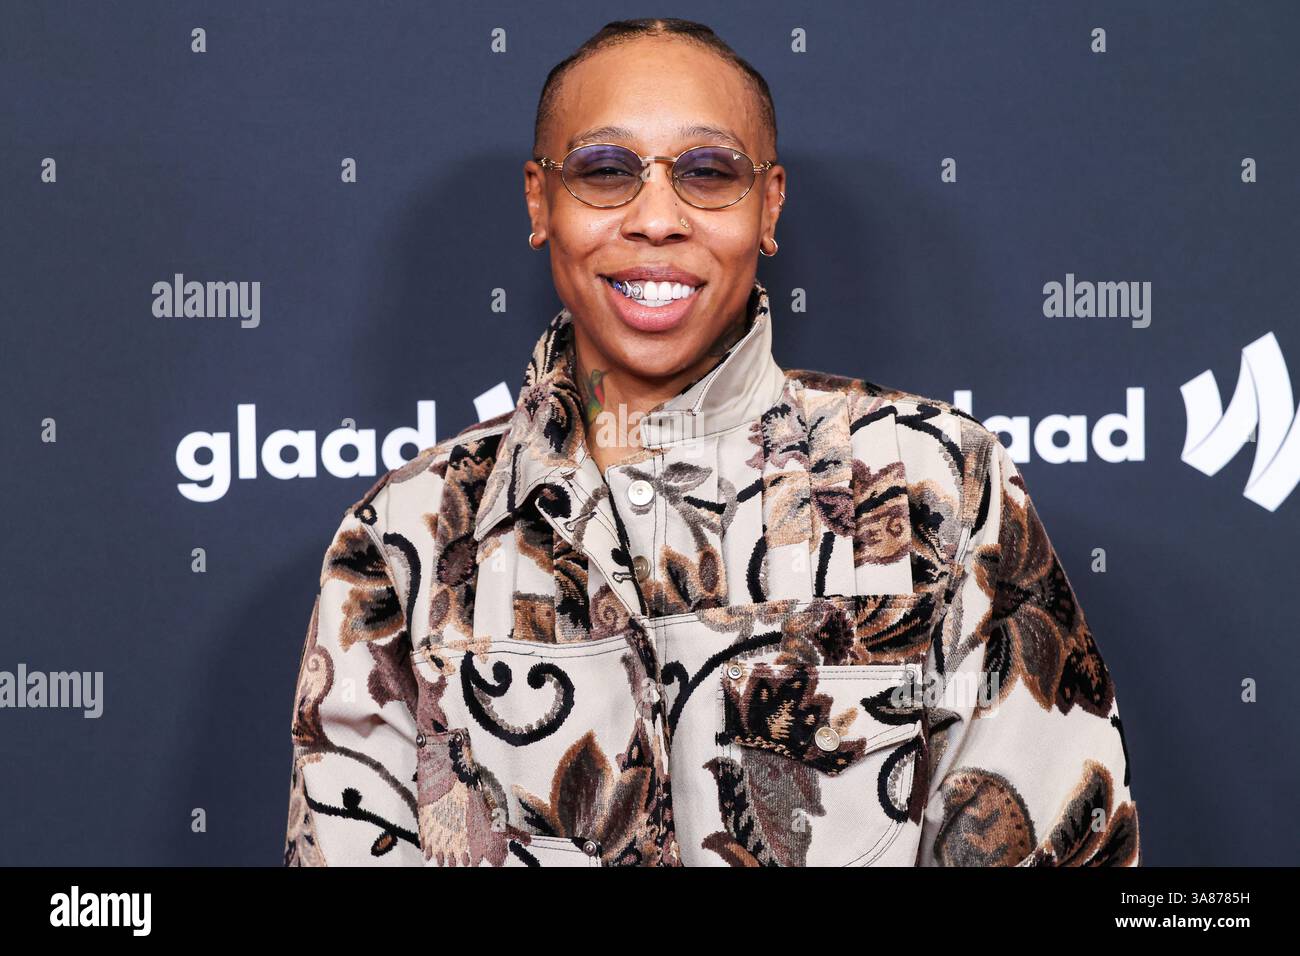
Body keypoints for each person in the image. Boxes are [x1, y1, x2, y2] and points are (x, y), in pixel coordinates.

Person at [284, 17, 1139, 867]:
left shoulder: (934, 485)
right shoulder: (411, 533)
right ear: (540, 202)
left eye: (707, 174)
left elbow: (1056, 842)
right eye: (606, 171)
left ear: (768, 205)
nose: (657, 219)